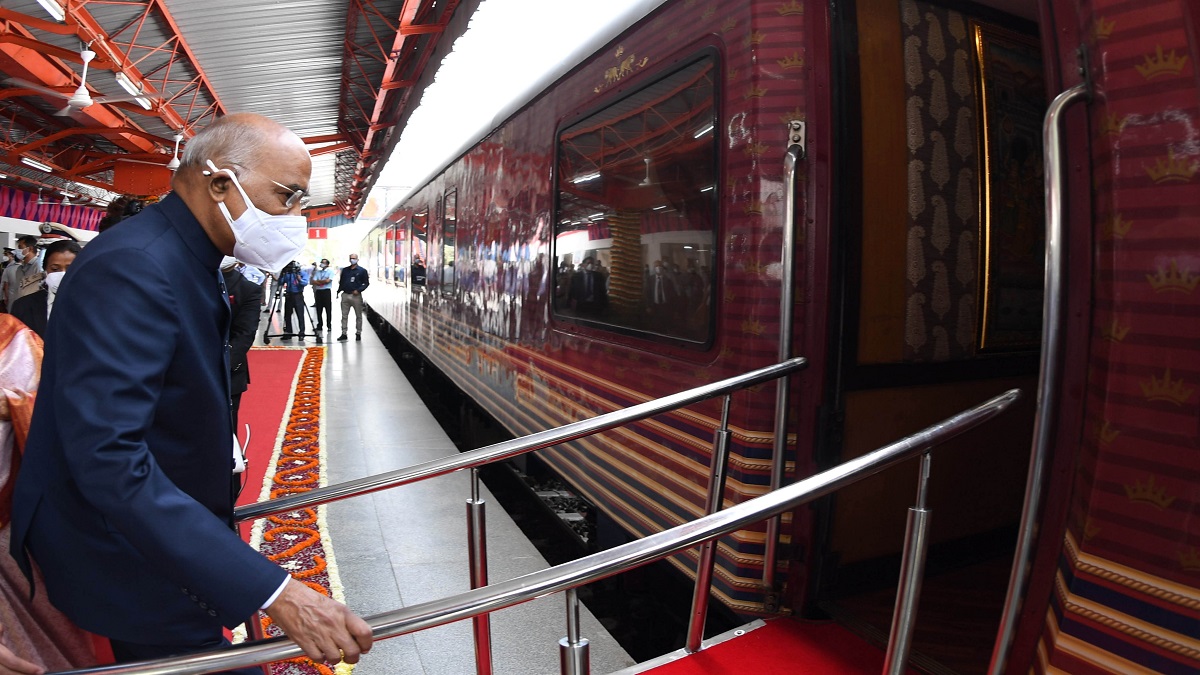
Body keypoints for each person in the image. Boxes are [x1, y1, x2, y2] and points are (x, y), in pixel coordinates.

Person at [8, 112, 372, 673]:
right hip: (126, 555)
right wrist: (275, 592)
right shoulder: (135, 266)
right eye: (288, 196)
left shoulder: (182, 257)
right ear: (221, 183)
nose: (294, 217)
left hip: (159, 538)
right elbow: (108, 457)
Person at [0, 314, 103, 675]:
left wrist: (10, 405)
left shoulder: (10, 337)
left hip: (13, 521)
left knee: (53, 643)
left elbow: (53, 407)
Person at [222, 257, 263, 431]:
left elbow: (245, 333)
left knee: (226, 429)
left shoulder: (247, 288)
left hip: (227, 369)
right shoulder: (190, 279)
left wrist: (224, 363)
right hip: (186, 370)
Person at [10, 239, 81, 339]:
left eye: (70, 269)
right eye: (55, 269)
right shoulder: (23, 306)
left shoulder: (95, 307)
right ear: (45, 269)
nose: (62, 274)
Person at [1, 237, 42, 312]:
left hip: (31, 308)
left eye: (20, 247)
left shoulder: (38, 266)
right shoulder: (20, 268)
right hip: (20, 305)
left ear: (30, 249)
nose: (18, 251)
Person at [336, 253, 369, 342]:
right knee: (344, 315)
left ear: (357, 259)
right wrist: (339, 291)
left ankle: (358, 333)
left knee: (358, 315)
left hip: (356, 296)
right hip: (345, 295)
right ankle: (344, 333)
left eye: (354, 258)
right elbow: (341, 281)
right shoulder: (345, 270)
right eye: (351, 258)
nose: (352, 260)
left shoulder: (362, 271)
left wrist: (359, 290)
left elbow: (366, 283)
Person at [278, 261, 309, 340]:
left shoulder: (302, 273)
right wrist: (282, 274)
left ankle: (301, 332)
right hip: (289, 295)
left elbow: (305, 283)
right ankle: (288, 332)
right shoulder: (288, 273)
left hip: (298, 295)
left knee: (300, 315)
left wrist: (299, 279)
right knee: (287, 315)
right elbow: (281, 282)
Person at [310, 259, 334, 332]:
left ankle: (329, 325)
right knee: (319, 309)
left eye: (323, 263)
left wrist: (319, 281)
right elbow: (313, 281)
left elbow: (328, 281)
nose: (321, 264)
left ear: (327, 264)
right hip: (319, 292)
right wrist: (322, 282)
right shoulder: (318, 272)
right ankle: (319, 325)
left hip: (326, 291)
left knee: (328, 309)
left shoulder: (330, 271)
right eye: (321, 262)